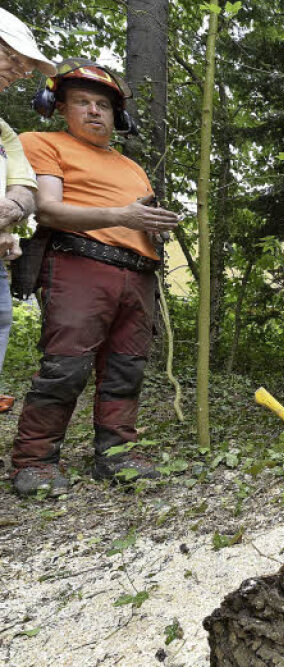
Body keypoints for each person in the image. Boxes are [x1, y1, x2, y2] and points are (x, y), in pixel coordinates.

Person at [10, 58, 180, 497]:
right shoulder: (42, 142)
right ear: (58, 106)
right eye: (82, 102)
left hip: (137, 271)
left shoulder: (131, 167)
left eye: (103, 104)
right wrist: (122, 214)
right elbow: (46, 208)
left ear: (116, 115)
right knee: (66, 366)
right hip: (79, 261)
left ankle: (117, 453)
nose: (93, 111)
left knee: (127, 368)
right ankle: (35, 459)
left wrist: (149, 224)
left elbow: (137, 217)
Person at [0, 10, 57, 413]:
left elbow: (26, 187)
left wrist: (12, 210)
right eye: (14, 59)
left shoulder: (4, 131)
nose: (21, 73)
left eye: (26, 66)